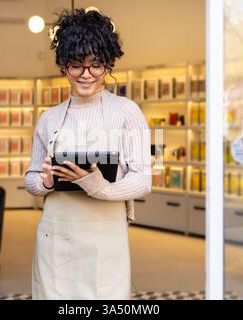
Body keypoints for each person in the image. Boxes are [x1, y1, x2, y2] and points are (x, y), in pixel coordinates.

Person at [24, 7, 151, 300]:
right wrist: (44, 182)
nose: (86, 74)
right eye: (76, 65)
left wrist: (102, 188)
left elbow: (143, 180)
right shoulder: (49, 118)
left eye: (97, 65)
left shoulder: (126, 113)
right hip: (54, 240)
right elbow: (30, 179)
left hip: (104, 242)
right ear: (63, 66)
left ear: (109, 65)